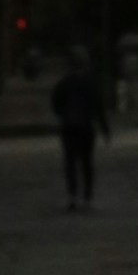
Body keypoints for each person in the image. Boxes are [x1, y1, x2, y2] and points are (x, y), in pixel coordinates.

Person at [52, 46, 103, 210]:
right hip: (86, 126)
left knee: (70, 162)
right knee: (87, 161)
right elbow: (97, 105)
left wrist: (63, 115)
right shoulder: (89, 82)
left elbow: (56, 103)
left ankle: (72, 196)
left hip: (68, 126)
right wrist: (104, 127)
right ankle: (87, 197)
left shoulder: (64, 83)